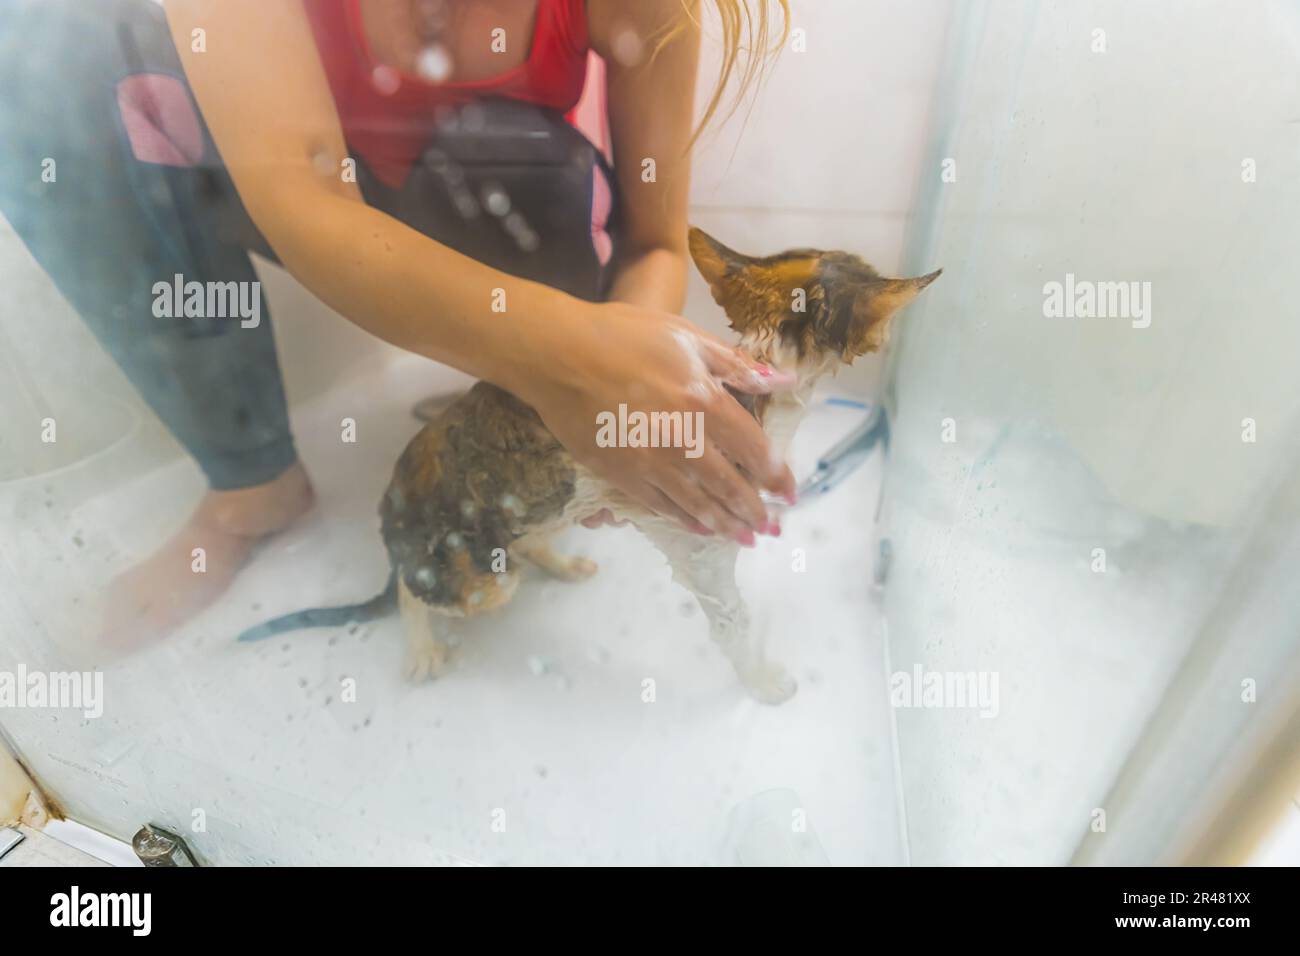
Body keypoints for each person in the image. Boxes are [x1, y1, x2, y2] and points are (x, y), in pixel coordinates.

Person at [0, 0, 795, 645]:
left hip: (486, 199)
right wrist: (583, 363)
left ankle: (531, 415)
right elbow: (309, 202)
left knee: (537, 165)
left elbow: (653, 244)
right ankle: (252, 487)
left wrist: (623, 371)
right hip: (288, 185)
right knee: (36, 54)